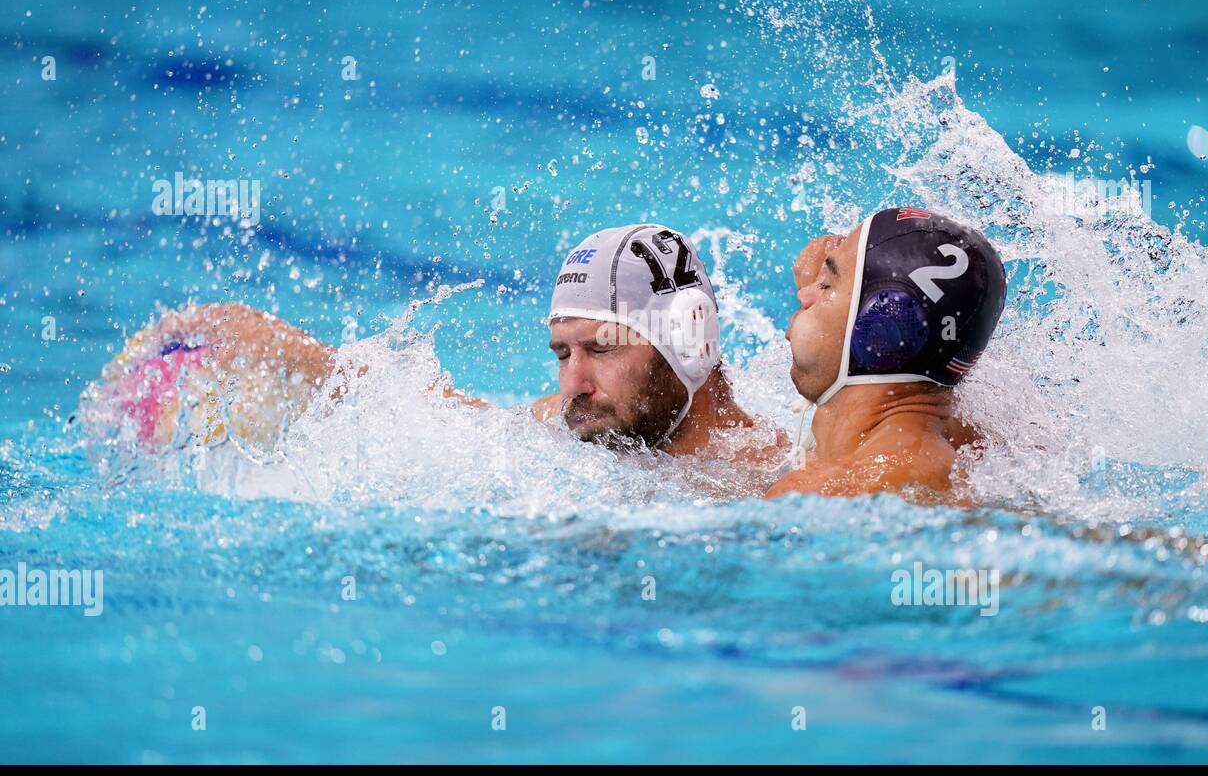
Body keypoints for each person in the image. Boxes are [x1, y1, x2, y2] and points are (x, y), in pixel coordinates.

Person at [85, 224, 784, 469]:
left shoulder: (779, 476)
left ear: (688, 338)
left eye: (599, 349)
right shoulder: (584, 431)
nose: (573, 383)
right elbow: (449, 420)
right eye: (560, 353)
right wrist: (286, 352)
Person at [765, 206, 1006, 500]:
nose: (803, 295)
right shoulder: (971, 446)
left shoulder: (825, 494)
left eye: (825, 284)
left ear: (882, 328)